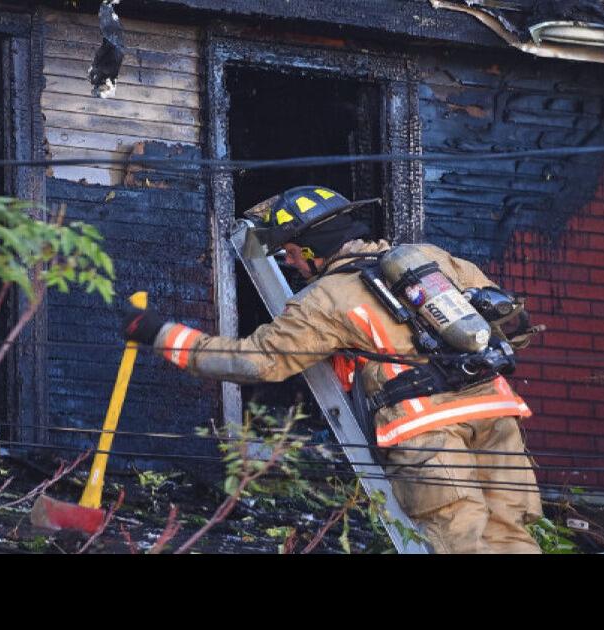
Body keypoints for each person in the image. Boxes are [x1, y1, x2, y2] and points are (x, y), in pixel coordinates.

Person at [122, 185, 543, 553]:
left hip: (427, 434)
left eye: (289, 254)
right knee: (511, 537)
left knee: (460, 541)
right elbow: (511, 326)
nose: (291, 265)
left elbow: (258, 361)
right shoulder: (430, 258)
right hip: (496, 412)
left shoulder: (326, 298)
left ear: (308, 250)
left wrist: (162, 335)